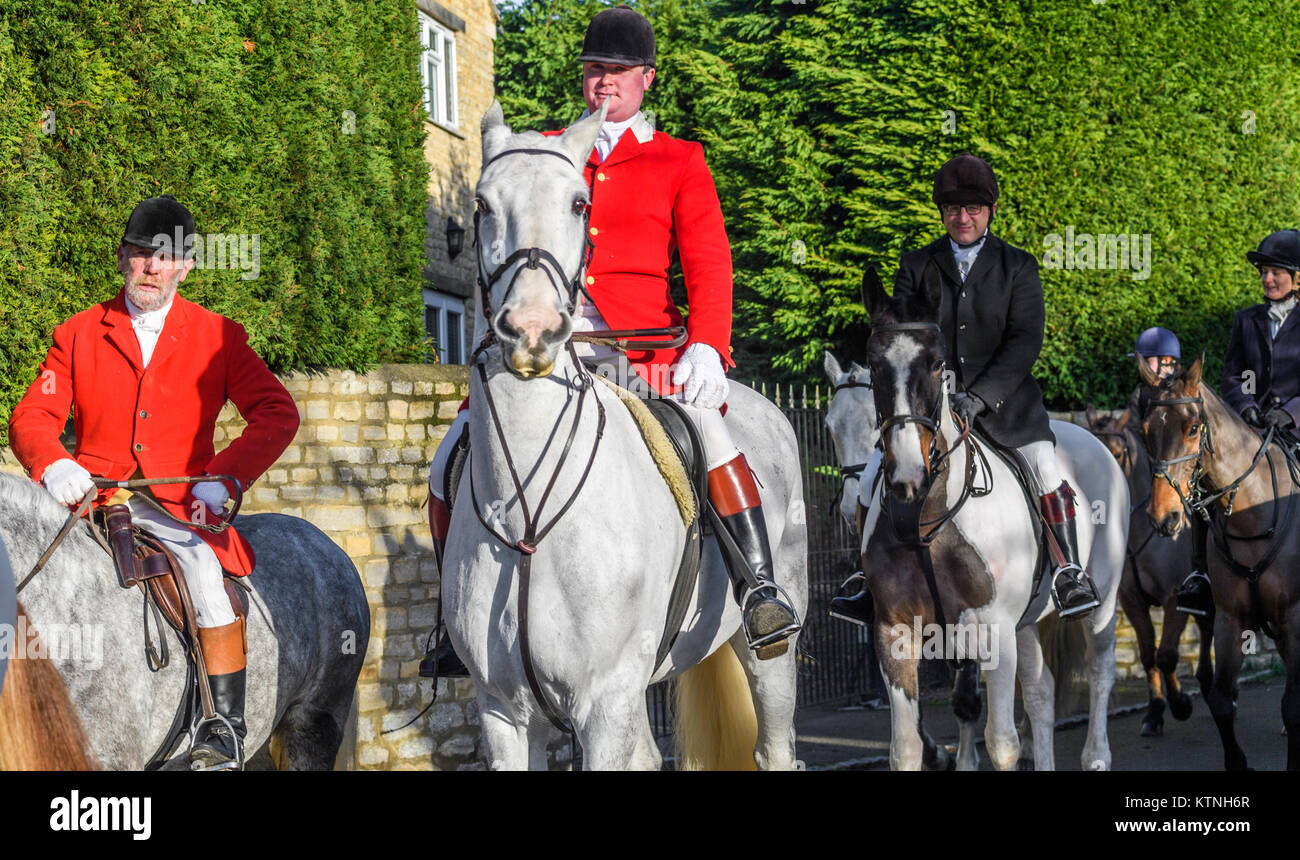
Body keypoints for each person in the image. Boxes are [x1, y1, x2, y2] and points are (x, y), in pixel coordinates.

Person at [421, 5, 801, 678]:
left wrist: (707, 345)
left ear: (646, 79)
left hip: (642, 355)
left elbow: (709, 259)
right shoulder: (542, 148)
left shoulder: (677, 160)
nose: (604, 84)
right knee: (448, 458)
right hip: (546, 355)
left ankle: (759, 587)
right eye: (595, 71)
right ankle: (453, 623)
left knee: (713, 437)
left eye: (619, 73)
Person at [8, 195, 300, 770]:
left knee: (203, 575)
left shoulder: (220, 336)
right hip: (93, 499)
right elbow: (31, 418)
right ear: (122, 258)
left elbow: (277, 413)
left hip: (179, 505)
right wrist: (54, 463)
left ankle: (224, 727)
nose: (151, 267)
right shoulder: (78, 333)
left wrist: (227, 478)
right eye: (141, 255)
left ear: (186, 267)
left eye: (164, 259)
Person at [832, 154, 1100, 624]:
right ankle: (862, 575)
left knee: (1044, 469)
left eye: (973, 208)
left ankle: (1068, 572)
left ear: (990, 211)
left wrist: (980, 396)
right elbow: (903, 334)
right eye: (954, 209)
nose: (963, 217)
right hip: (926, 406)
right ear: (942, 213)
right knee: (873, 473)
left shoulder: (1017, 266)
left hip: (1006, 407)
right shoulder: (917, 264)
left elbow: (1024, 340)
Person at [1126, 328, 1213, 617]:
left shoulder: (1186, 391)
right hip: (1155, 470)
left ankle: (1202, 571)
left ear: (1166, 361)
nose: (1141, 369)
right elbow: (1134, 432)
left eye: (1147, 361)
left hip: (1186, 469)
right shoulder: (1142, 392)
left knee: (1207, 507)